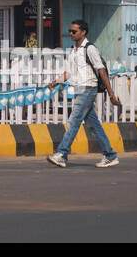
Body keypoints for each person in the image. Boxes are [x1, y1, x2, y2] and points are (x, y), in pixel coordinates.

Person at [46, 19, 121, 168]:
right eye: (70, 31)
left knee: (74, 121)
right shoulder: (73, 50)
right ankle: (110, 155)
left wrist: (111, 94)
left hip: (88, 89)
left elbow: (101, 70)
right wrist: (56, 81)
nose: (71, 34)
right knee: (94, 125)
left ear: (83, 32)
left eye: (74, 31)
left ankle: (62, 153)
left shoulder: (90, 48)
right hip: (79, 89)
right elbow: (69, 72)